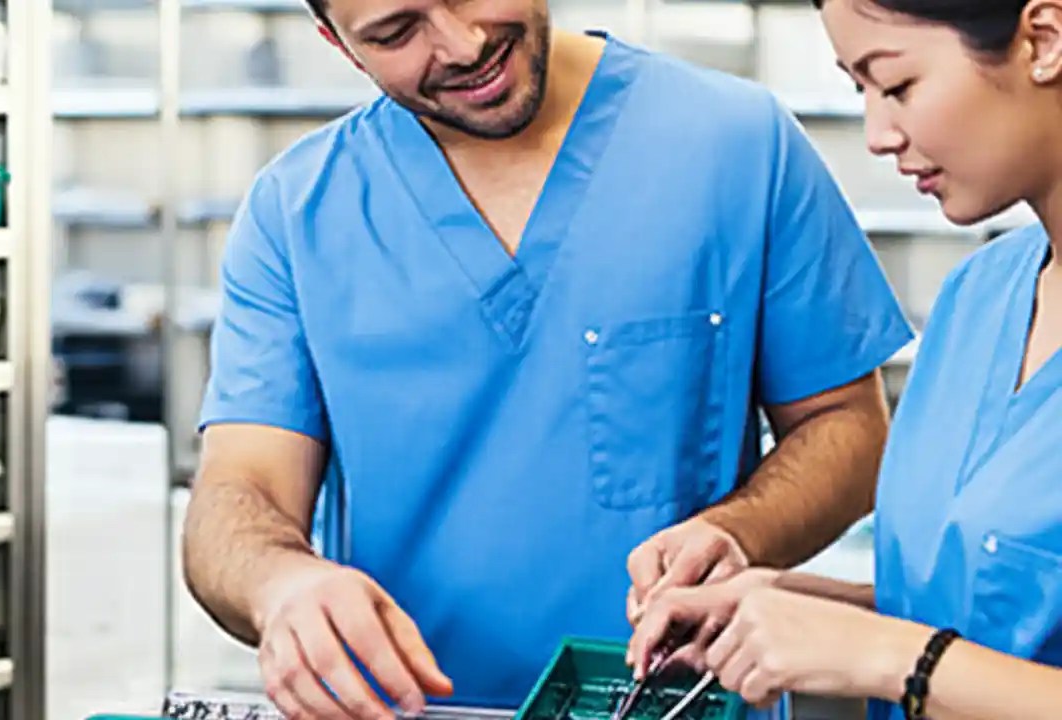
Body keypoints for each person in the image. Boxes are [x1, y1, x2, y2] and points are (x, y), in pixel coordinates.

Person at [179, 0, 915, 717]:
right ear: (339, 45)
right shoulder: (295, 210)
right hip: (409, 707)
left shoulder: (736, 144)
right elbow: (237, 496)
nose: (463, 43)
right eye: (398, 31)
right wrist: (280, 585)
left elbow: (846, 429)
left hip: (677, 703)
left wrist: (737, 531)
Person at [628, 0, 1062, 718]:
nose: (878, 135)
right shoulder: (979, 299)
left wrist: (884, 656)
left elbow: (924, 658)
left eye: (895, 86)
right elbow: (989, 611)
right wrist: (799, 611)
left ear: (1043, 40)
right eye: (857, 89)